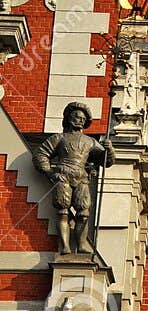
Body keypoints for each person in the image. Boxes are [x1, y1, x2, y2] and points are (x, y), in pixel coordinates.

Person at [34, 101, 112, 256]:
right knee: (62, 210)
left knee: (84, 212)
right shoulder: (59, 138)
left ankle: (81, 244)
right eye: (77, 117)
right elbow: (40, 154)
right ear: (69, 118)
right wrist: (49, 172)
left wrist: (109, 150)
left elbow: (106, 161)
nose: (80, 120)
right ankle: (65, 246)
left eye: (83, 119)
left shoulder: (90, 141)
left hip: (81, 177)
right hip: (63, 175)